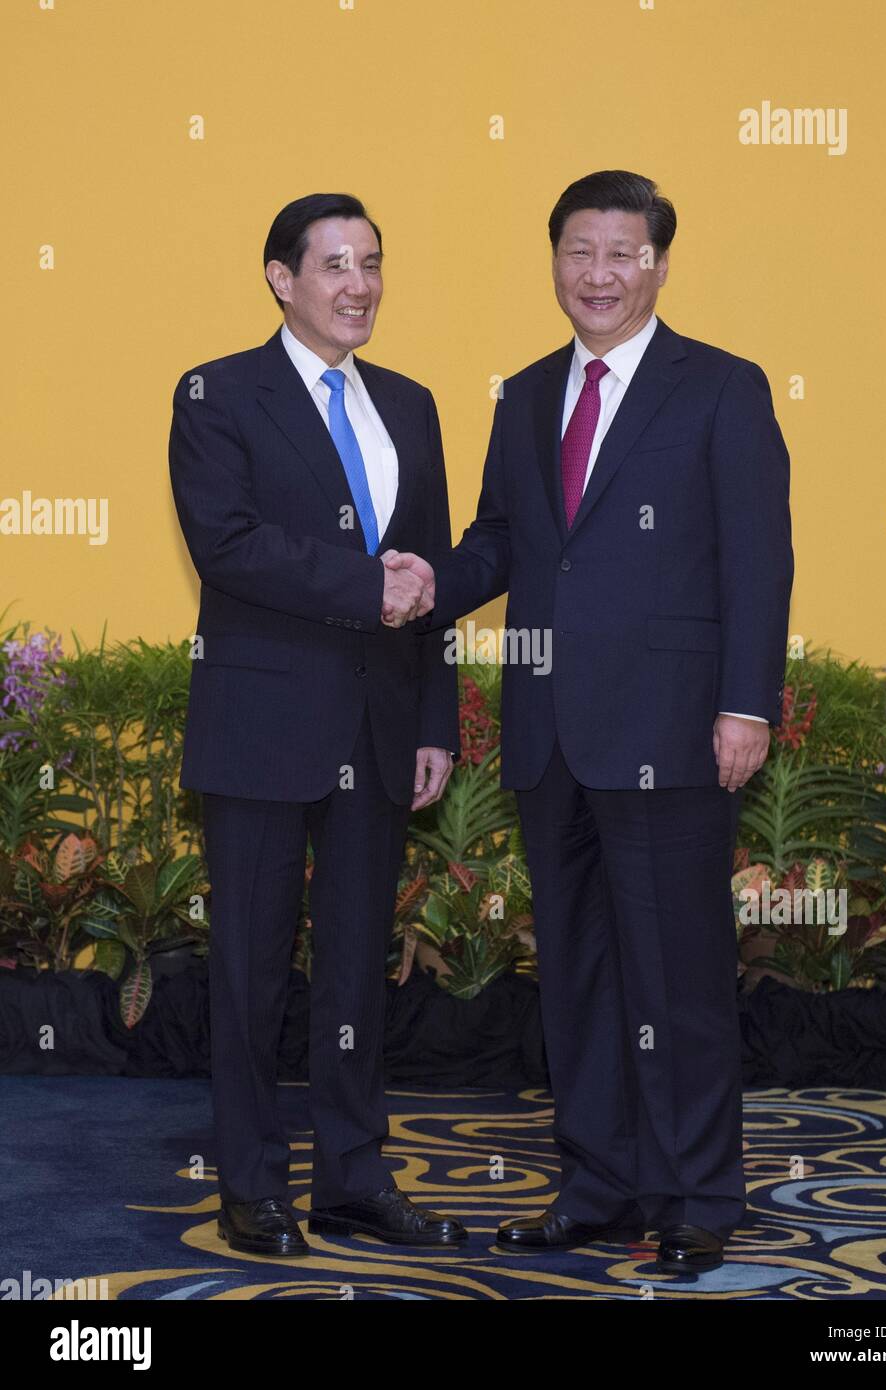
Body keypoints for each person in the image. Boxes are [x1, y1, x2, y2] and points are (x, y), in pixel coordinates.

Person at [382, 169, 793, 1274]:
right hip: (548, 732)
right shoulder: (522, 396)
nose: (597, 274)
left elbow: (759, 557)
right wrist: (431, 577)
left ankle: (698, 1193)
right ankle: (601, 1182)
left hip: (671, 729)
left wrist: (745, 701)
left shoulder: (719, 387)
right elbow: (506, 542)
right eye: (578, 252)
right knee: (574, 973)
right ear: (554, 259)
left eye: (621, 253)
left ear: (658, 262)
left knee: (679, 975)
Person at [168, 192, 465, 1256]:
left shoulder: (411, 403)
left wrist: (435, 715)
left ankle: (350, 1175)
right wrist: (362, 586)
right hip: (260, 726)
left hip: (379, 732)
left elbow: (423, 577)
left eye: (372, 263)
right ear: (279, 278)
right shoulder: (217, 393)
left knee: (353, 970)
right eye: (334, 264)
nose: (358, 285)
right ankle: (249, 1184)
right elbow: (227, 545)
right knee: (250, 970)